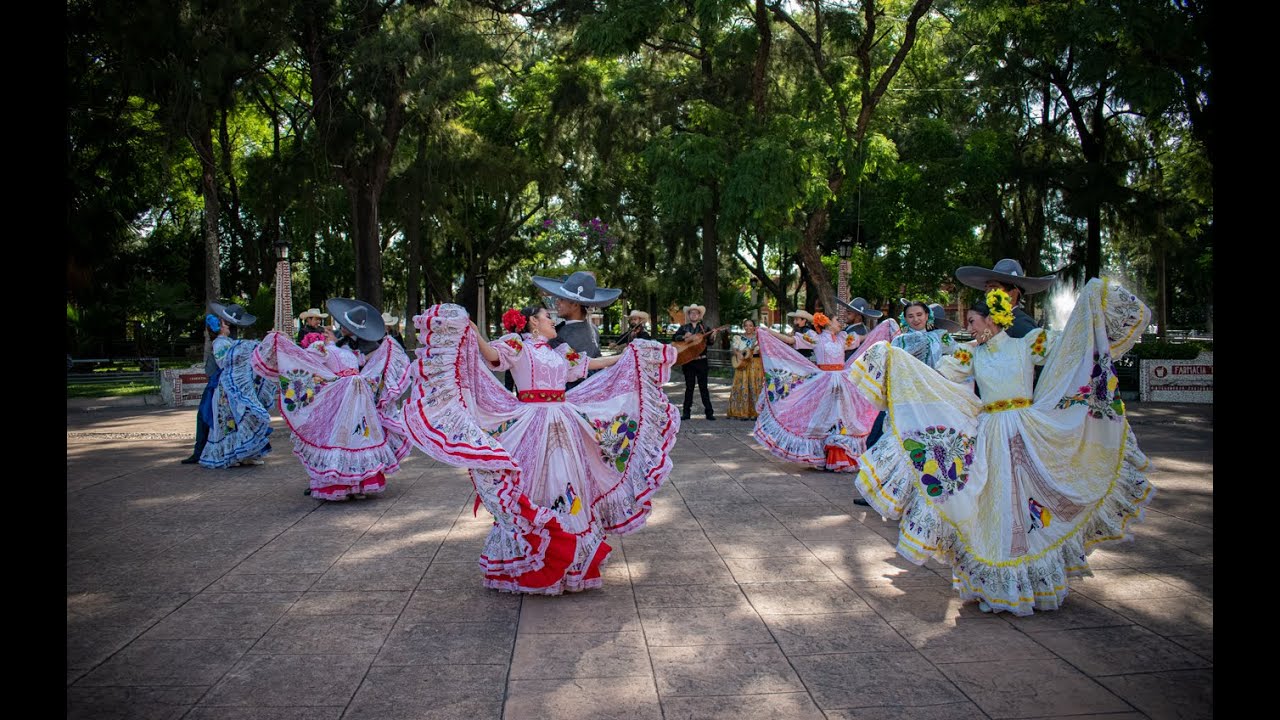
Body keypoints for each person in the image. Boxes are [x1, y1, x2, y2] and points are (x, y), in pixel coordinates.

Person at [848, 278, 1154, 615]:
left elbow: (1070, 348)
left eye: (972, 321)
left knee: (1025, 499)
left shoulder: (1027, 345)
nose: (969, 327)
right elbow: (934, 376)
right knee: (997, 503)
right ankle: (1001, 580)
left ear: (992, 319)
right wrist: (896, 362)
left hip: (1026, 429)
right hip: (991, 433)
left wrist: (1091, 307)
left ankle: (1032, 579)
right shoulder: (970, 354)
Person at [399, 302, 681, 594]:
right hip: (532, 421)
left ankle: (572, 558)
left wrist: (627, 357)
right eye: (547, 316)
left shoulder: (560, 351)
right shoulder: (517, 346)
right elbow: (493, 357)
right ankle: (538, 556)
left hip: (564, 418)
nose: (552, 320)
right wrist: (472, 332)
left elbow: (590, 365)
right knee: (537, 483)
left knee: (569, 482)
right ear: (533, 321)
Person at [252, 297, 411, 501]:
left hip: (350, 399)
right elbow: (310, 361)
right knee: (351, 437)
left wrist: (286, 344)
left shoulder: (338, 349)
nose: (330, 331)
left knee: (346, 437)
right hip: (350, 399)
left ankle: (347, 482)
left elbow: (310, 360)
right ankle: (354, 483)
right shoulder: (341, 349)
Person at [754, 308, 899, 472]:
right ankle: (824, 454)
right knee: (823, 416)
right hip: (824, 381)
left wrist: (884, 327)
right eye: (838, 320)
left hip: (843, 380)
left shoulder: (843, 338)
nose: (841, 323)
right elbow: (790, 340)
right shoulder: (816, 338)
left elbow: (868, 340)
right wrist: (767, 331)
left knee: (844, 415)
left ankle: (840, 454)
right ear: (827, 322)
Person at [185, 302, 275, 468]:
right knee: (229, 420)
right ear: (221, 327)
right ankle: (232, 455)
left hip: (234, 387)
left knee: (242, 417)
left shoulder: (229, 342)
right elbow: (224, 361)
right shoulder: (220, 343)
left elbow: (243, 355)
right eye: (225, 324)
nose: (227, 326)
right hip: (226, 388)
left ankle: (246, 453)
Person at [533, 271, 619, 389]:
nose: (557, 302)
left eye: (561, 299)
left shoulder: (557, 335)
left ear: (574, 305)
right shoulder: (593, 329)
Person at [955, 258, 1055, 339]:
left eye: (994, 288)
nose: (987, 294)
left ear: (1013, 293)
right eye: (986, 289)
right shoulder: (992, 322)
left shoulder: (1022, 325)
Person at [673, 303, 719, 421]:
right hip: (688, 361)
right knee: (689, 387)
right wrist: (684, 337)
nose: (694, 314)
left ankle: (709, 413)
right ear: (689, 315)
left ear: (699, 315)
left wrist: (713, 336)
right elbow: (674, 338)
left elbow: (710, 342)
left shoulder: (705, 328)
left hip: (702, 361)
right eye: (691, 313)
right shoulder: (683, 328)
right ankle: (686, 413)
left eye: (696, 313)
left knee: (704, 387)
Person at [726, 318, 764, 421]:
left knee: (755, 387)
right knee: (741, 386)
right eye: (746, 325)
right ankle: (741, 412)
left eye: (750, 325)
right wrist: (738, 353)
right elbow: (734, 349)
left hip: (755, 364)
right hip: (742, 365)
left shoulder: (758, 338)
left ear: (754, 327)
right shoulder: (738, 338)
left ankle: (755, 412)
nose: (748, 327)